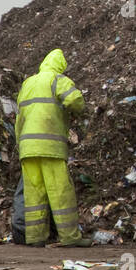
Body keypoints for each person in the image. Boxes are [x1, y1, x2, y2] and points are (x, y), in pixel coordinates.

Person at [15, 48, 91, 247]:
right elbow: (75, 100)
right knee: (60, 192)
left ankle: (35, 238)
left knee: (34, 195)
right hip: (50, 146)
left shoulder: (28, 83)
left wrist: (20, 145)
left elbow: (19, 118)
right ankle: (70, 238)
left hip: (27, 147)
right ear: (61, 66)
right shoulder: (58, 80)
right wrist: (80, 111)